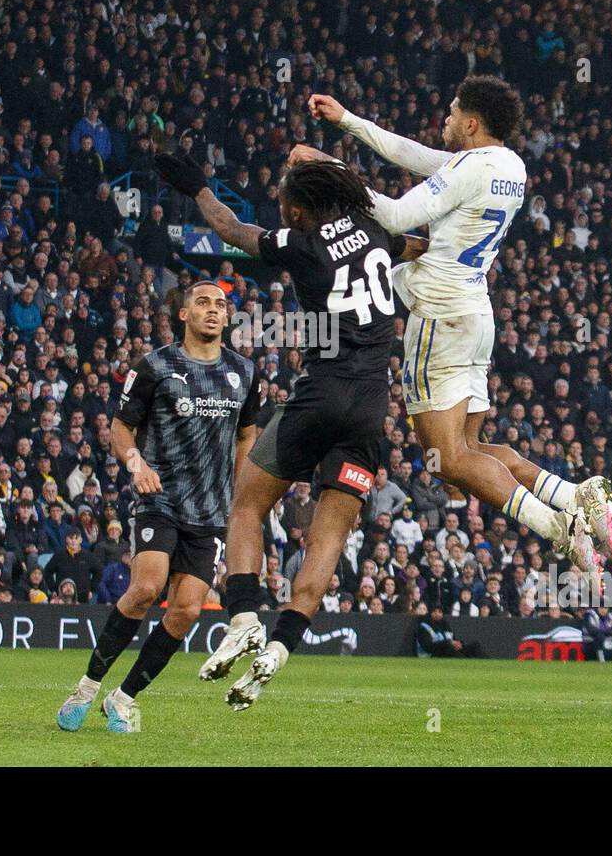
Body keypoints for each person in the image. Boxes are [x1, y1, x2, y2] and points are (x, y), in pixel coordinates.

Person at [300, 81, 612, 568]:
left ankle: (559, 527)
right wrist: (349, 120)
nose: (445, 122)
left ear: (471, 123)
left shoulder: (468, 169)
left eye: (452, 115)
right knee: (468, 456)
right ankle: (575, 495)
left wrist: (329, 173)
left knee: (449, 459)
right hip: (475, 315)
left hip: (439, 315)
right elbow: (417, 156)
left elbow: (391, 215)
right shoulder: (509, 165)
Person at [153, 153, 425, 708]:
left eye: (283, 202)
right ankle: (283, 644)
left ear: (298, 210)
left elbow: (229, 228)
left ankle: (246, 617)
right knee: (328, 536)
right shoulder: (375, 231)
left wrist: (198, 185)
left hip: (321, 394)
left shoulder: (300, 243)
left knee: (247, 505)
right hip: (372, 408)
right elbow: (416, 247)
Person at [55, 280, 259, 733]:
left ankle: (122, 699)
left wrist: (242, 487)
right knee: (147, 587)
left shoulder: (244, 372)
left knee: (186, 609)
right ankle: (86, 686)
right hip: (159, 495)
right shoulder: (155, 366)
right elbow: (120, 427)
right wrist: (134, 461)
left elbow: (248, 432)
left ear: (228, 318)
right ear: (183, 314)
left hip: (210, 510)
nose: (212, 310)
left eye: (220, 305)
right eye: (202, 302)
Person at [415, 604, 481, 657]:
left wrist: (460, 644)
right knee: (448, 648)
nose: (437, 614)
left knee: (475, 645)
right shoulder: (424, 627)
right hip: (432, 656)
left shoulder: (445, 625)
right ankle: (466, 664)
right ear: (429, 613)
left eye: (440, 612)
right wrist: (447, 643)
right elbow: (428, 647)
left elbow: (454, 640)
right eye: (434, 611)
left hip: (448, 652)